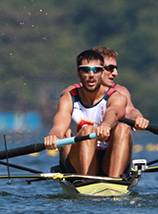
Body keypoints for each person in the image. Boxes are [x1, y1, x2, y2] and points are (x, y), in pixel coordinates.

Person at [44, 49, 133, 178]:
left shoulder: (117, 96)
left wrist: (106, 125)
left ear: (102, 73)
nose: (91, 75)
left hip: (108, 159)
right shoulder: (68, 98)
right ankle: (87, 182)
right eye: (86, 70)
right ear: (79, 73)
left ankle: (115, 181)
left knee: (123, 128)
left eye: (96, 70)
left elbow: (113, 112)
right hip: (78, 161)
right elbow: (59, 126)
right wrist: (52, 136)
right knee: (87, 130)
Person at [63, 46, 150, 131]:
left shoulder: (120, 91)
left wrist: (138, 118)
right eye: (110, 68)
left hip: (106, 142)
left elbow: (130, 110)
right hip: (81, 140)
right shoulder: (72, 92)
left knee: (122, 128)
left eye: (116, 68)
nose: (115, 73)